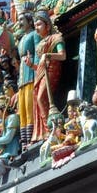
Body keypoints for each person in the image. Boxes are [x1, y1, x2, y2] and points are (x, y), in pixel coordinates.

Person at [30, 11, 66, 144]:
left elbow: (62, 56)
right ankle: (45, 131)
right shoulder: (40, 43)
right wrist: (32, 65)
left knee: (41, 97)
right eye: (35, 25)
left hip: (52, 69)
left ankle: (50, 128)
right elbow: (40, 65)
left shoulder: (56, 38)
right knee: (38, 98)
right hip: (42, 72)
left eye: (39, 24)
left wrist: (49, 55)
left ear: (48, 25)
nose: (37, 27)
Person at [16, 10, 40, 150]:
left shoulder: (34, 35)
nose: (19, 23)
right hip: (22, 76)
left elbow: (37, 52)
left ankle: (31, 137)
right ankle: (24, 140)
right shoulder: (22, 39)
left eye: (21, 20)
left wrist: (35, 67)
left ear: (29, 21)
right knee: (23, 110)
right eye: (18, 20)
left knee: (30, 107)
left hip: (31, 74)